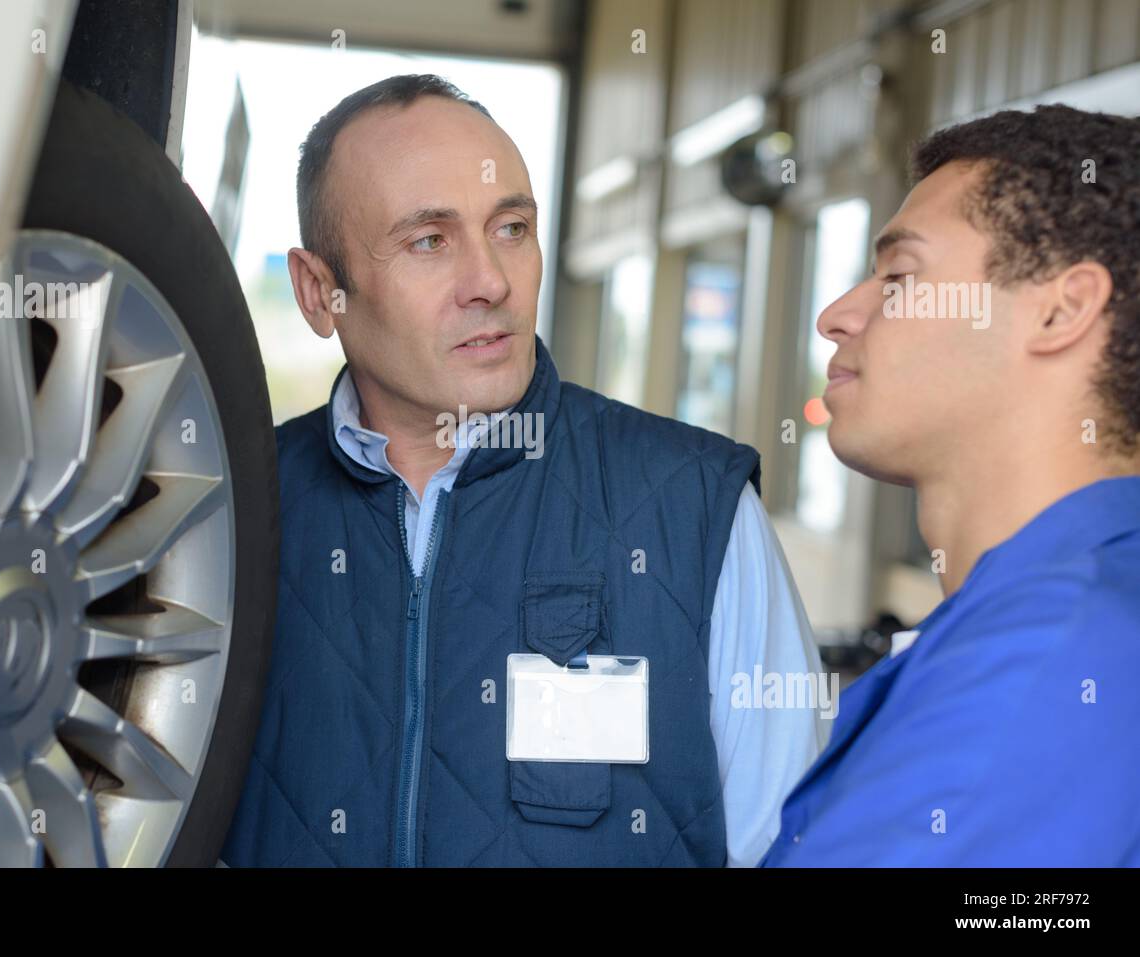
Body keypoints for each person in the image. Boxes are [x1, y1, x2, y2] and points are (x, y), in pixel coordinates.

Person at [221, 74, 826, 867]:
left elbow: (803, 848)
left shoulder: (693, 511)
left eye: (511, 227)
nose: (493, 282)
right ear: (318, 290)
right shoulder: (231, 517)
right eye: (429, 241)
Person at [762, 105, 1140, 866]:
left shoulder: (1055, 651)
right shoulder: (1040, 614)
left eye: (900, 278)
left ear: (1062, 309)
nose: (837, 315)